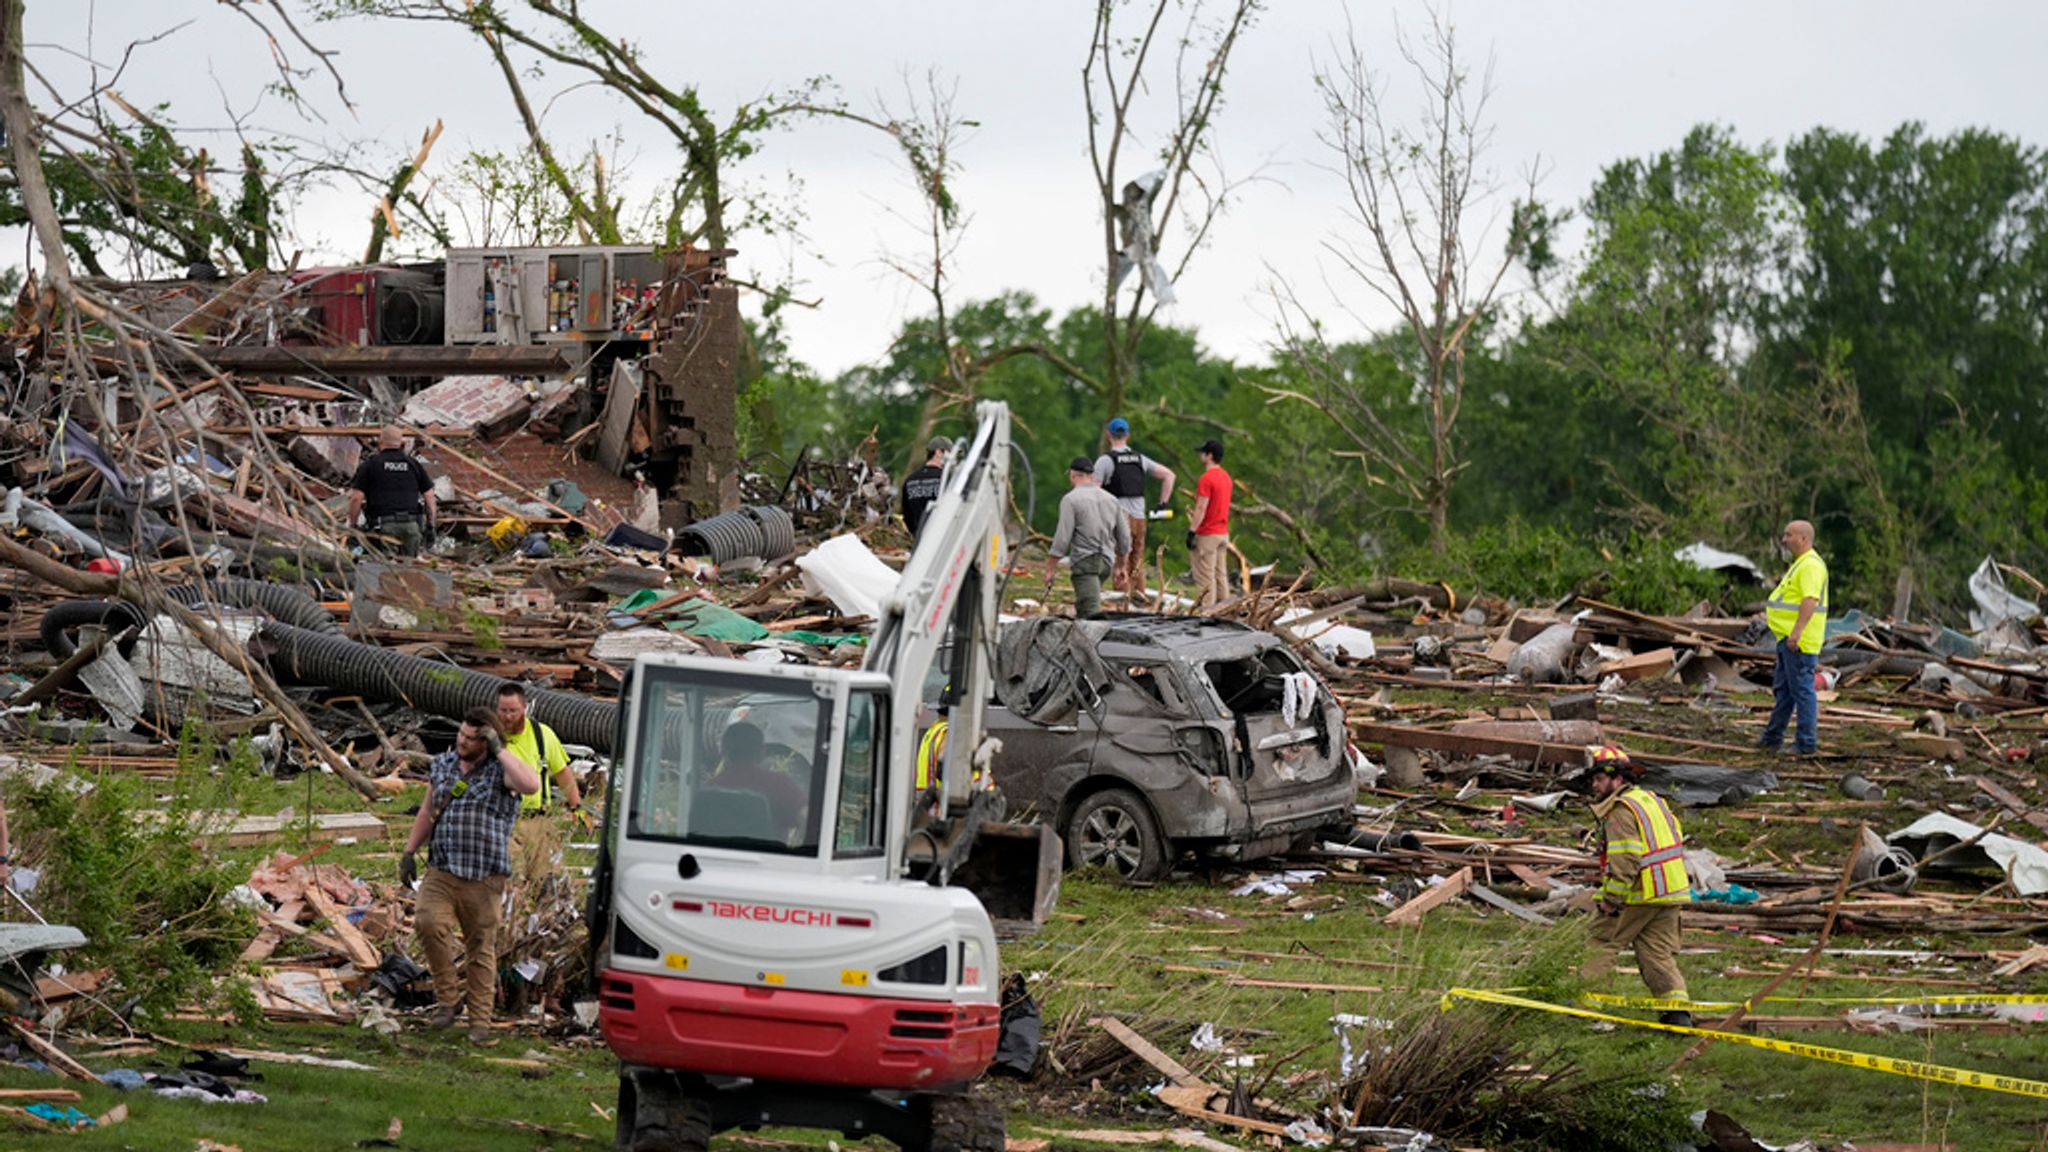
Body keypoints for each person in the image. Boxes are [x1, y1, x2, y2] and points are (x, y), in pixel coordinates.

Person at [400, 707, 541, 1045]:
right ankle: (449, 1000)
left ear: (487, 741)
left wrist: (500, 750)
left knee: (480, 950)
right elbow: (427, 810)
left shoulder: (500, 772)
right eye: (460, 735)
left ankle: (479, 1022)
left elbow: (532, 784)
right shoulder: (444, 764)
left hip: (484, 877)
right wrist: (408, 851)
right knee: (428, 923)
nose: (462, 742)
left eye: (471, 739)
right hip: (443, 869)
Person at [1578, 744, 1694, 1027]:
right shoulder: (1652, 801)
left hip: (1638, 893)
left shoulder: (1620, 810)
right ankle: (1677, 1015)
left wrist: (1611, 900)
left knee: (1601, 943)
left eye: (1599, 778)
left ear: (1617, 778)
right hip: (1669, 893)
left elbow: (1627, 859)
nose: (1594, 785)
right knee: (1656, 953)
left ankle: (1593, 1011)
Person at [1759, 519, 1829, 756]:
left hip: (1798, 642)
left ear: (1803, 538)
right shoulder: (1801, 564)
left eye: (1789, 535)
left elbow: (1810, 600)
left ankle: (1806, 743)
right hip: (1788, 639)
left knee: (1802, 691)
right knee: (1785, 691)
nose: (1784, 539)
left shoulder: (1810, 565)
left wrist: (1797, 632)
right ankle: (1772, 738)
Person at [1094, 417, 1175, 604]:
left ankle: (1123, 604)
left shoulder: (1106, 461)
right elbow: (1169, 475)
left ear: (1109, 436)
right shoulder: (1140, 459)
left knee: (1120, 561)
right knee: (1137, 561)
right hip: (1140, 517)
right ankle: (1140, 601)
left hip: (1119, 517)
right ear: (1128, 435)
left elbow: (1095, 491)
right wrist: (1162, 504)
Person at [1045, 456, 1131, 621]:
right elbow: (1124, 537)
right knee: (1084, 607)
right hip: (1106, 562)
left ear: (1073, 475)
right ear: (1091, 476)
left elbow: (1062, 538)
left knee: (1092, 615)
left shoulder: (1070, 499)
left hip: (1085, 563)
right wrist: (1121, 565)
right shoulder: (1111, 499)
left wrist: (1050, 568)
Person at [705, 721, 809, 842]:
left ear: (723, 751)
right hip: (771, 859)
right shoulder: (780, 785)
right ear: (761, 752)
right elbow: (807, 819)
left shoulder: (709, 790)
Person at [497, 685, 583, 823]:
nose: (508, 717)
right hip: (499, 818)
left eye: (513, 711)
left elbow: (562, 773)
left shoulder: (543, 734)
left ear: (525, 707)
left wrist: (577, 810)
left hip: (537, 820)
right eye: (503, 710)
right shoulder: (488, 737)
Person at [349, 426, 437, 556]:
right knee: (409, 570)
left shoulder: (371, 465)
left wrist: (353, 525)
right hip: (411, 526)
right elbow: (429, 496)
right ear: (402, 443)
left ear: (381, 442)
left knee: (385, 570)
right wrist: (431, 526)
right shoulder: (413, 464)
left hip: (383, 527)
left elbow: (356, 498)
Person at [1189, 439, 1233, 613]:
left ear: (1210, 456)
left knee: (1206, 578)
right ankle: (1227, 611)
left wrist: (1192, 531)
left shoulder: (1207, 479)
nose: (1201, 455)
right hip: (1223, 532)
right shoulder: (1226, 477)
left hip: (1208, 533)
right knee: (1221, 575)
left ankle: (1207, 614)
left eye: (1203, 453)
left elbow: (1201, 507)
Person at [900, 436, 953, 543]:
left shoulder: (910, 480)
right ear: (938, 452)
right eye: (949, 452)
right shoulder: (948, 478)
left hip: (919, 542)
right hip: (942, 541)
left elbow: (907, 517)